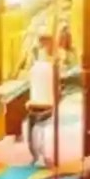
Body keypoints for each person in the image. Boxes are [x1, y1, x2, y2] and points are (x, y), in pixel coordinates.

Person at [26, 33, 56, 167]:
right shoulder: (42, 60)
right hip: (38, 99)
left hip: (43, 100)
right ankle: (38, 155)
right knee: (37, 129)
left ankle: (41, 155)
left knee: (41, 130)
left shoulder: (49, 61)